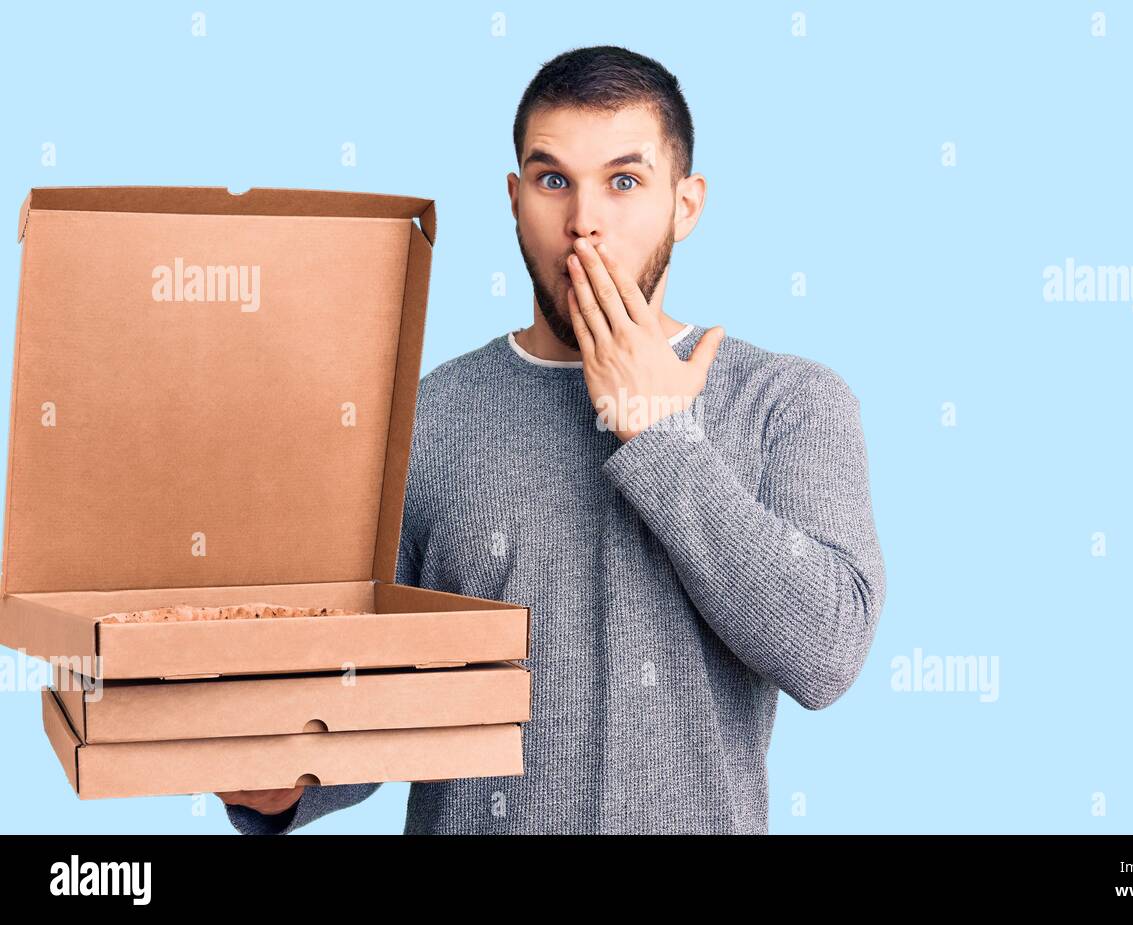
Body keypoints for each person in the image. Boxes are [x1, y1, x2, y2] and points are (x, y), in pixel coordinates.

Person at [219, 44, 885, 835]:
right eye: (553, 179)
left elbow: (827, 652)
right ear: (514, 197)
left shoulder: (790, 403)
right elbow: (372, 689)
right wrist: (285, 781)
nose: (584, 221)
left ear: (687, 203)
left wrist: (662, 435)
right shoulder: (427, 416)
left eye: (625, 181)